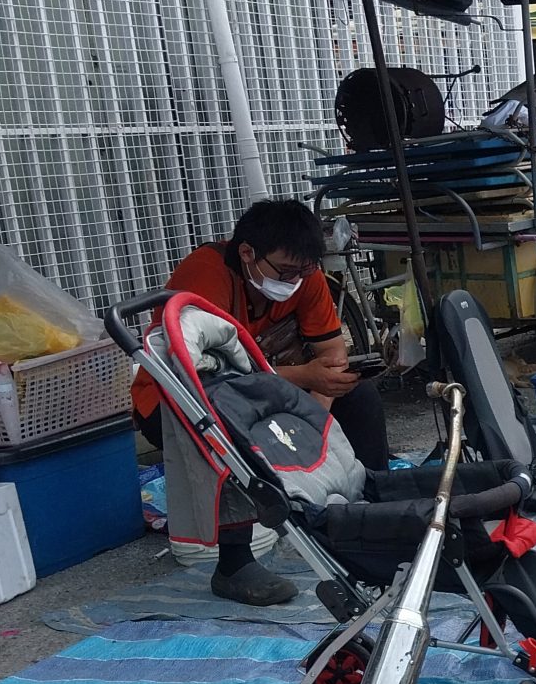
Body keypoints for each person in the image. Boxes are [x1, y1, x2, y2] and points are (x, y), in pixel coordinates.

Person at [146, 200, 382, 606]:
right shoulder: (205, 276)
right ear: (247, 253)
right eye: (285, 272)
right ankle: (234, 565)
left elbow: (332, 357)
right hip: (183, 396)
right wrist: (305, 382)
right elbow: (209, 377)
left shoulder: (303, 274)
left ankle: (370, 513)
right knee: (224, 429)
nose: (295, 281)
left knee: (360, 397)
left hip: (264, 391)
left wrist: (311, 429)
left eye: (304, 272)